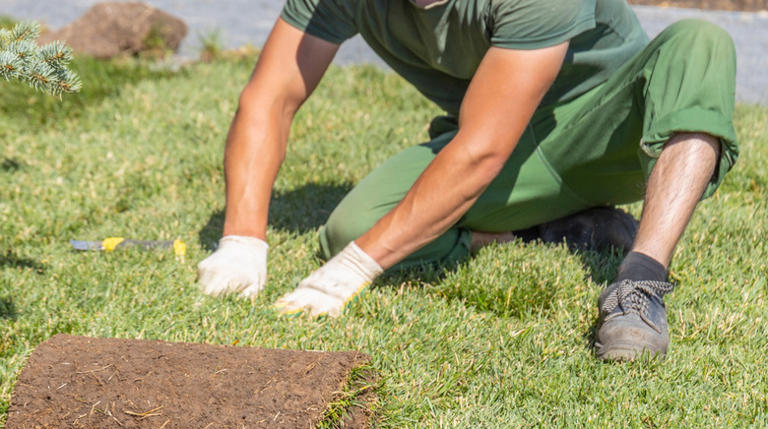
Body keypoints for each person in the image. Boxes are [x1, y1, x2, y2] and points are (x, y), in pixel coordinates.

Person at [197, 0, 738, 361]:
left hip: (607, 134)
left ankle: (640, 283)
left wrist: (352, 272)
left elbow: (482, 151)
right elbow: (270, 97)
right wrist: (241, 241)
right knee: (353, 229)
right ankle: (558, 228)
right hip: (504, 142)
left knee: (700, 43)